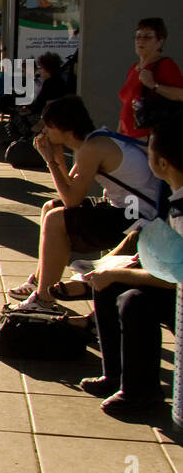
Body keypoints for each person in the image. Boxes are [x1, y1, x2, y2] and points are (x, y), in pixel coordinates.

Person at [9, 96, 163, 312]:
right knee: (50, 208)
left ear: (65, 129)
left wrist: (50, 162)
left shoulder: (93, 148)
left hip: (138, 218)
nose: (44, 132)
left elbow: (72, 200)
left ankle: (43, 300)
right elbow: (69, 192)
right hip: (126, 208)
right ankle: (40, 280)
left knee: (56, 220)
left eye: (49, 127)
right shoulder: (95, 139)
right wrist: (59, 160)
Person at [78, 117, 183, 416]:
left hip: (177, 289)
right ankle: (117, 377)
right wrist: (116, 264)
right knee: (109, 282)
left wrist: (117, 271)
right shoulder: (172, 192)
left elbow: (175, 279)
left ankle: (142, 393)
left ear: (161, 163)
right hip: (173, 280)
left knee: (133, 300)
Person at [117, 18, 183, 139]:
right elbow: (126, 107)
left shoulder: (165, 64)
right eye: (138, 37)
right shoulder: (134, 68)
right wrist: (118, 135)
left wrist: (153, 85)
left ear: (159, 42)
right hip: (127, 137)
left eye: (147, 37)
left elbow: (180, 95)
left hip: (149, 138)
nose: (140, 41)